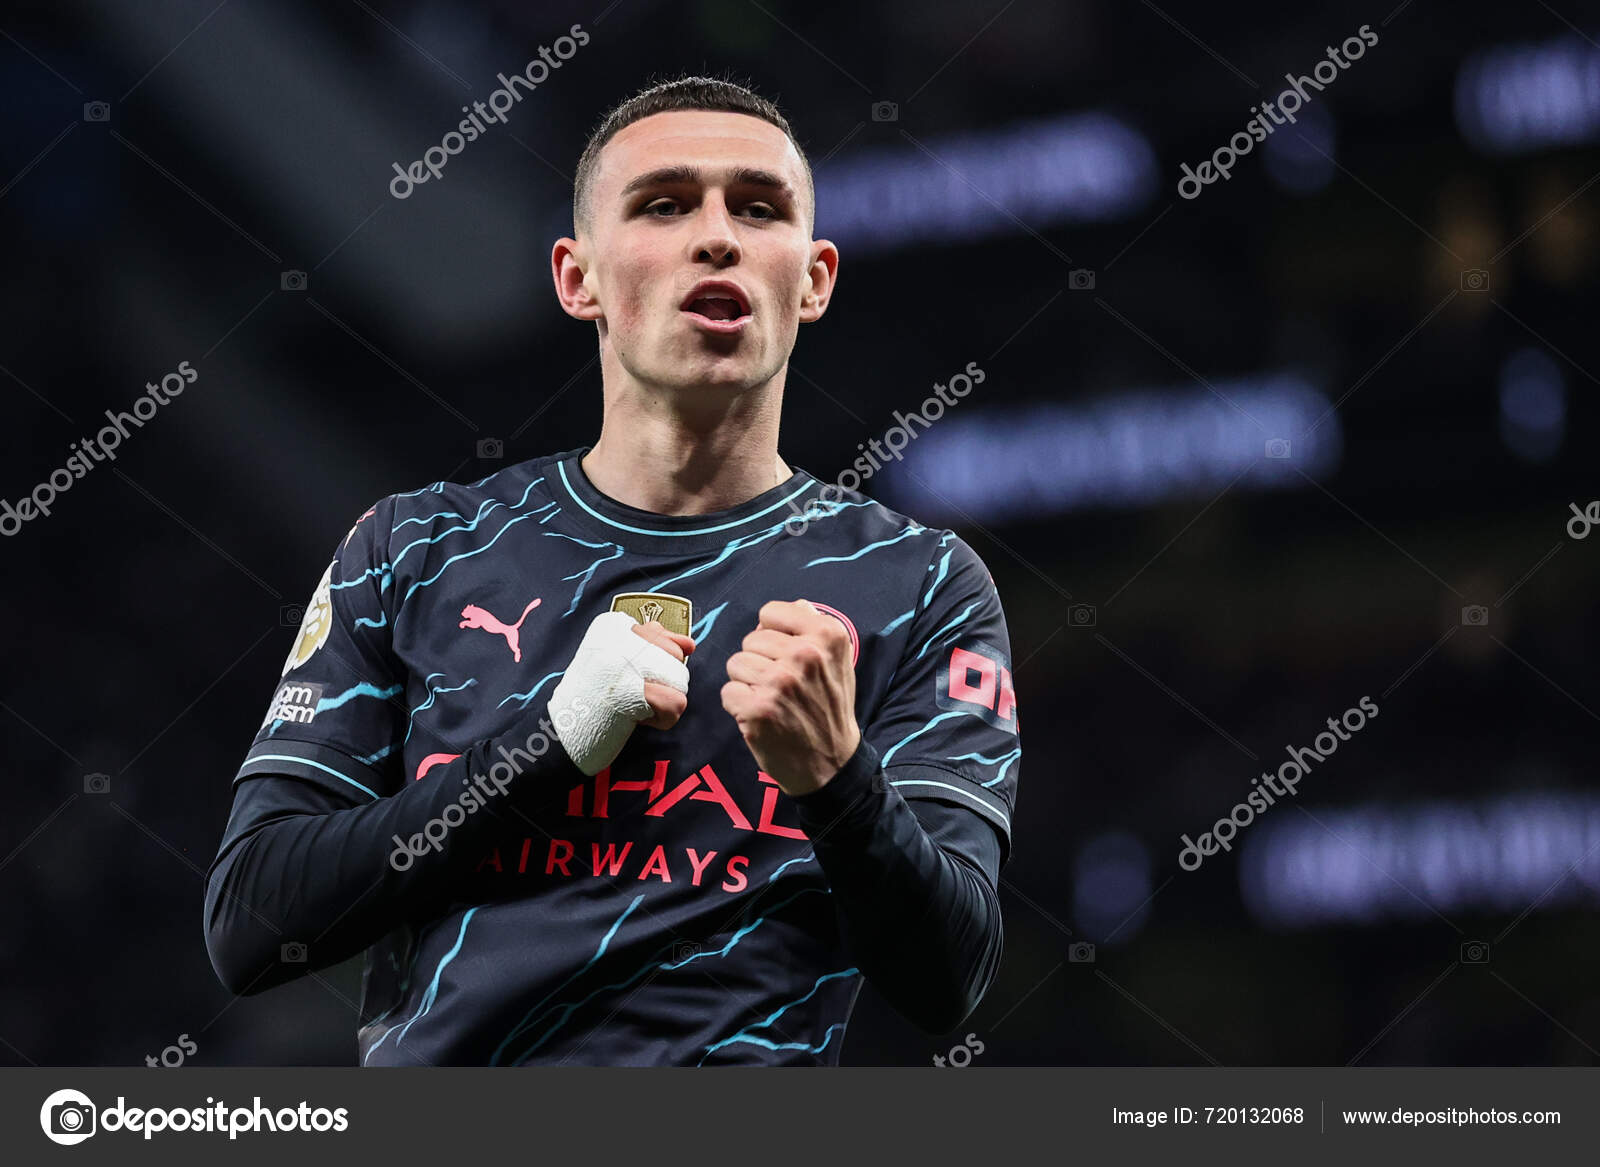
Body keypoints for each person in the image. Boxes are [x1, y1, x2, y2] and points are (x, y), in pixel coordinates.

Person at [203, 74, 1021, 1066]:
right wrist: (548, 745)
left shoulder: (919, 584)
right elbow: (251, 923)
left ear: (813, 280)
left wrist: (837, 779)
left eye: (758, 209)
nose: (716, 237)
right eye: (664, 205)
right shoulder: (414, 550)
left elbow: (949, 979)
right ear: (576, 276)